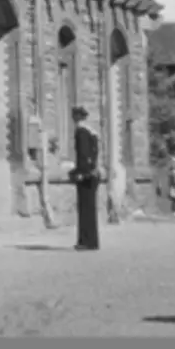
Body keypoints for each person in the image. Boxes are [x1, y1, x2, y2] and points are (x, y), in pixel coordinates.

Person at [69, 105, 100, 251]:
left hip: (86, 175)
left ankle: (85, 241)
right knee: (90, 209)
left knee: (85, 209)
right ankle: (92, 240)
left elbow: (83, 154)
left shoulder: (81, 132)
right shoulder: (91, 132)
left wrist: (80, 171)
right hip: (93, 173)